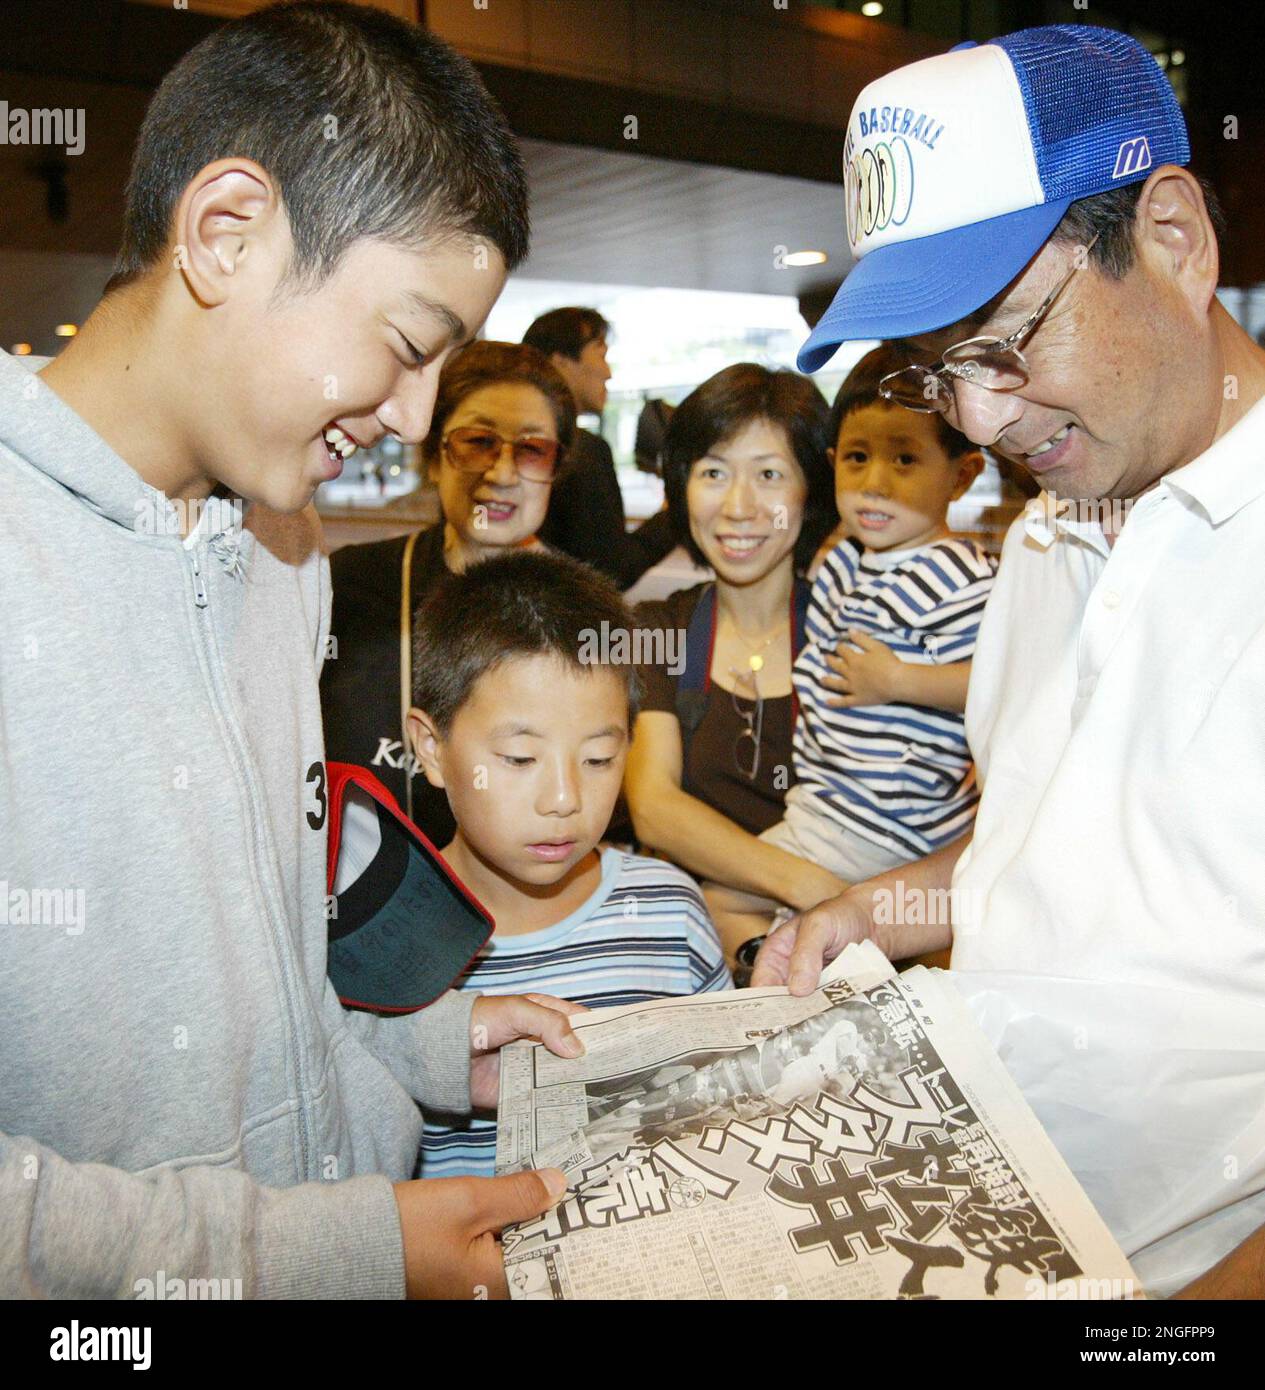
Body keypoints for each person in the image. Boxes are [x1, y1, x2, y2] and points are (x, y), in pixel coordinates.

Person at [1, 1, 582, 1300]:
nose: (413, 416)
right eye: (404, 344)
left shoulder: (287, 548)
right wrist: (338, 1251)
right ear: (227, 231)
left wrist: (428, 1041)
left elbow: (281, 909)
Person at [756, 24, 1265, 1298]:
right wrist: (879, 907)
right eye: (943, 369)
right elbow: (1038, 857)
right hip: (973, 1216)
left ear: (1174, 240)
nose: (976, 420)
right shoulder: (1043, 537)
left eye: (1005, 341)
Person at [403, 550, 730, 1178]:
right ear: (432, 749)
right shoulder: (386, 945)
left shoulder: (668, 912)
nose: (564, 800)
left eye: (599, 759)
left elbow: (719, 1116)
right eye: (521, 760)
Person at [704, 345, 996, 952]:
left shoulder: (961, 574)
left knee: (727, 900)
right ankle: (783, 969)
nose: (876, 484)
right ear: (833, 463)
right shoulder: (842, 562)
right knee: (722, 896)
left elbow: (999, 680)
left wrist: (901, 681)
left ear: (962, 475)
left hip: (891, 817)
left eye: (905, 459)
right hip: (827, 799)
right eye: (857, 459)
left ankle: (783, 971)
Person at [624, 363, 840, 966]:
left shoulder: (856, 634)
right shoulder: (655, 632)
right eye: (713, 472)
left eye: (769, 474)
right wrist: (822, 892)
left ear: (811, 491)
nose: (739, 507)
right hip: (704, 956)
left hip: (847, 951)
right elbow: (654, 808)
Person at [322, 340, 574, 845]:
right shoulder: (349, 586)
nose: (502, 473)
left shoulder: (585, 616)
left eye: (531, 449)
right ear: (434, 459)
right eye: (478, 442)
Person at [523, 307, 676, 588]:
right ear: (560, 362)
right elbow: (612, 571)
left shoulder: (518, 443)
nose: (609, 373)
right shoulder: (582, 450)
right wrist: (674, 512)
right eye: (601, 355)